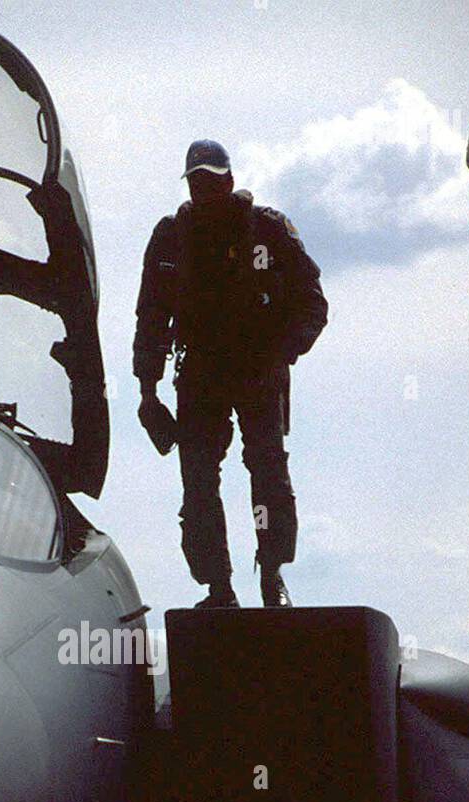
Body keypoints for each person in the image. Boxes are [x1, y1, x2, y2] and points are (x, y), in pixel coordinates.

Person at [134, 139, 328, 608]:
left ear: (230, 180)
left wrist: (280, 353)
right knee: (199, 481)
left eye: (212, 179)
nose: (205, 189)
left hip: (258, 370)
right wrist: (147, 391)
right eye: (196, 180)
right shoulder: (171, 238)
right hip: (200, 374)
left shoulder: (268, 230)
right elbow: (152, 316)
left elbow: (313, 304)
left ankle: (271, 573)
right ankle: (218, 586)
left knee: (267, 474)